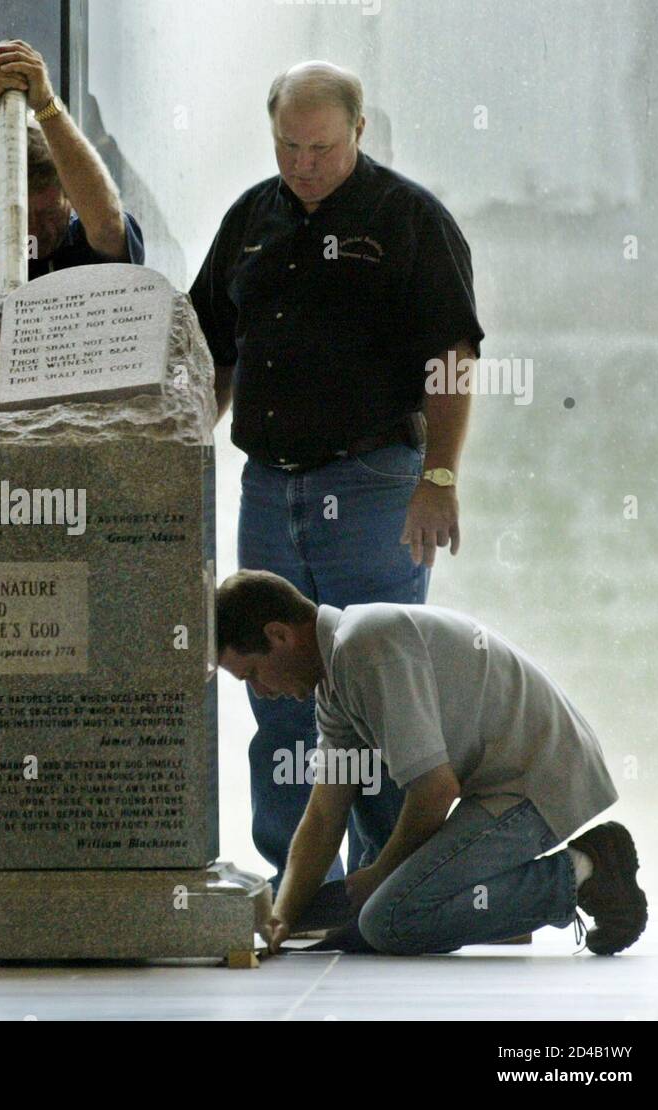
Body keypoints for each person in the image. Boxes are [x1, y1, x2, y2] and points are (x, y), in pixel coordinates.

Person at [190, 60, 485, 885]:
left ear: (358, 130)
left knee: (381, 693)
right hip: (267, 487)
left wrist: (440, 480)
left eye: (321, 147)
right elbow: (211, 357)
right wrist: (176, 452)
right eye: (288, 145)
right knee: (271, 679)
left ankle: (386, 883)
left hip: (374, 485)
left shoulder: (410, 219)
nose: (303, 163)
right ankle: (299, 886)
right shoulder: (249, 219)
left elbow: (452, 360)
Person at [215, 569, 647, 957]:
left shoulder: (363, 645)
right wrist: (283, 916)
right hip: (506, 784)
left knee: (389, 920)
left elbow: (435, 790)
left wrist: (380, 874)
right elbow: (325, 815)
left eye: (252, 673)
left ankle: (586, 870)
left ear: (279, 635)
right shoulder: (334, 683)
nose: (261, 692)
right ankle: (532, 891)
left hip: (541, 777)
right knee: (385, 910)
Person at [0, 39, 143, 289]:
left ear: (70, 197)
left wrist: (47, 104)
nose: (34, 230)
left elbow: (108, 229)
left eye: (49, 214)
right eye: (19, 214)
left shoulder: (86, 243)